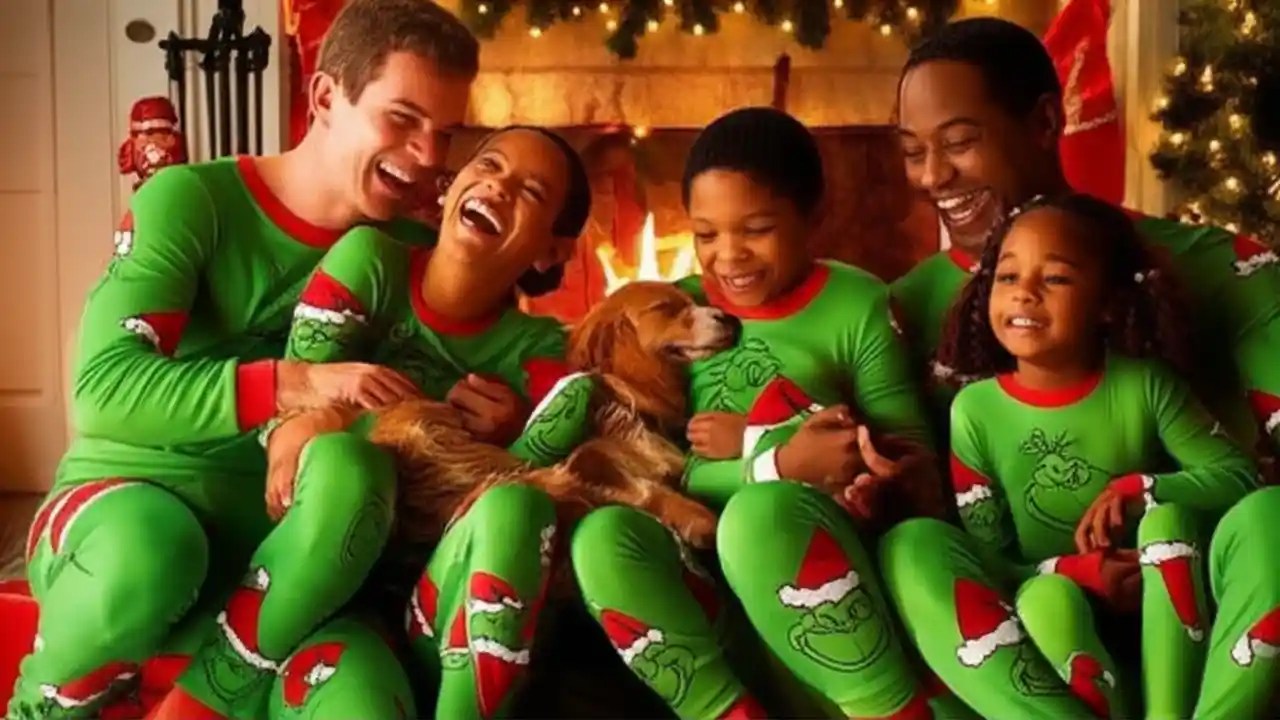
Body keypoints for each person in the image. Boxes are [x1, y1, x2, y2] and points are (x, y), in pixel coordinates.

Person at [8, 2, 493, 719]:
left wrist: (496, 410)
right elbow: (103, 391)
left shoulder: (415, 257)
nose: (428, 155)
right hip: (128, 520)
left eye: (444, 133)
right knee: (150, 553)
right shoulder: (192, 201)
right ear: (326, 97)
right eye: (402, 118)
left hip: (296, 574)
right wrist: (298, 384)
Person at [569, 107, 970, 720]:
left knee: (763, 513)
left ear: (811, 216)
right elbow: (664, 470)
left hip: (819, 567)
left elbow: (910, 457)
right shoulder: (682, 311)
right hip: (709, 573)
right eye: (705, 235)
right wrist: (772, 458)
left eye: (755, 229)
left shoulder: (856, 303)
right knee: (602, 537)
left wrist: (826, 466)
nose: (728, 257)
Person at [881, 193, 1260, 718]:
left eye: (1055, 279)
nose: (1025, 295)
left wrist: (1142, 490)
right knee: (1039, 596)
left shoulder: (1145, 385)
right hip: (1053, 619)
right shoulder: (975, 411)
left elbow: (1240, 479)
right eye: (1008, 278)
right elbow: (989, 557)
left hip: (1164, 607)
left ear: (1107, 302)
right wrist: (1076, 571)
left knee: (1175, 519)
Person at [264, 124, 591, 719]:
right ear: (450, 187)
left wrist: (513, 439)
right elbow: (296, 416)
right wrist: (315, 427)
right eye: (489, 164)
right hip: (325, 603)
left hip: (442, 605)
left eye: (531, 192)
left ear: (552, 250)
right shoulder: (371, 261)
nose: (497, 186)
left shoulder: (541, 352)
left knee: (517, 506)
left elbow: (556, 490)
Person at [889, 17, 1280, 458]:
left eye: (959, 142)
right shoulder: (900, 309)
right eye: (912, 152)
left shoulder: (1231, 270)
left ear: (1045, 123)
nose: (932, 175)